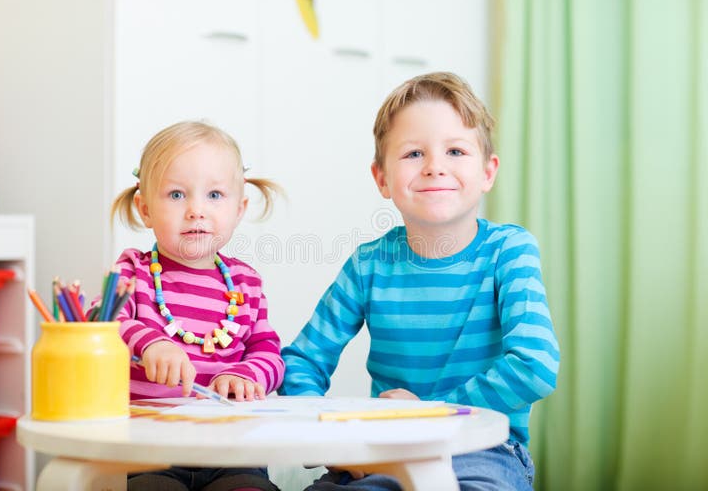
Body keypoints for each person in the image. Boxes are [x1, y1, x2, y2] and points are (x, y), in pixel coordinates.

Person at [279, 72, 560, 491]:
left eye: (455, 150)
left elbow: (535, 365)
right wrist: (328, 437)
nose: (434, 167)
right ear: (382, 178)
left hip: (483, 451)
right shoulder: (369, 265)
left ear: (487, 171)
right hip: (388, 449)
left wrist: (431, 412)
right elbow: (302, 360)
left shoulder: (509, 250)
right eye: (413, 153)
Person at [109, 121, 284, 491]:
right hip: (149, 454)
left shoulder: (246, 283)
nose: (196, 210)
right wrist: (151, 343)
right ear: (144, 208)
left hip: (232, 453)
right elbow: (106, 321)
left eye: (215, 195)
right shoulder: (133, 270)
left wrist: (248, 375)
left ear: (240, 208)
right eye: (176, 195)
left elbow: (269, 351)